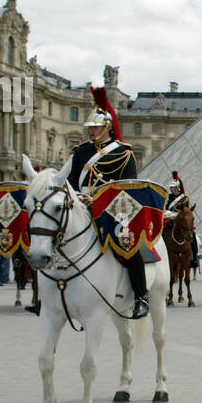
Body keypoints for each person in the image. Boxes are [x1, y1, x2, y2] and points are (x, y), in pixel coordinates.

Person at [60, 95, 149, 318]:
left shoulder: (123, 153)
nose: (91, 131)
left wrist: (99, 200)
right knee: (53, 236)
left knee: (128, 245)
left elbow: (128, 187)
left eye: (96, 127)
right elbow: (70, 182)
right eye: (90, 127)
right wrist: (76, 197)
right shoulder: (81, 152)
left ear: (107, 127)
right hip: (80, 207)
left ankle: (141, 296)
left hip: (110, 210)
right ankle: (45, 296)